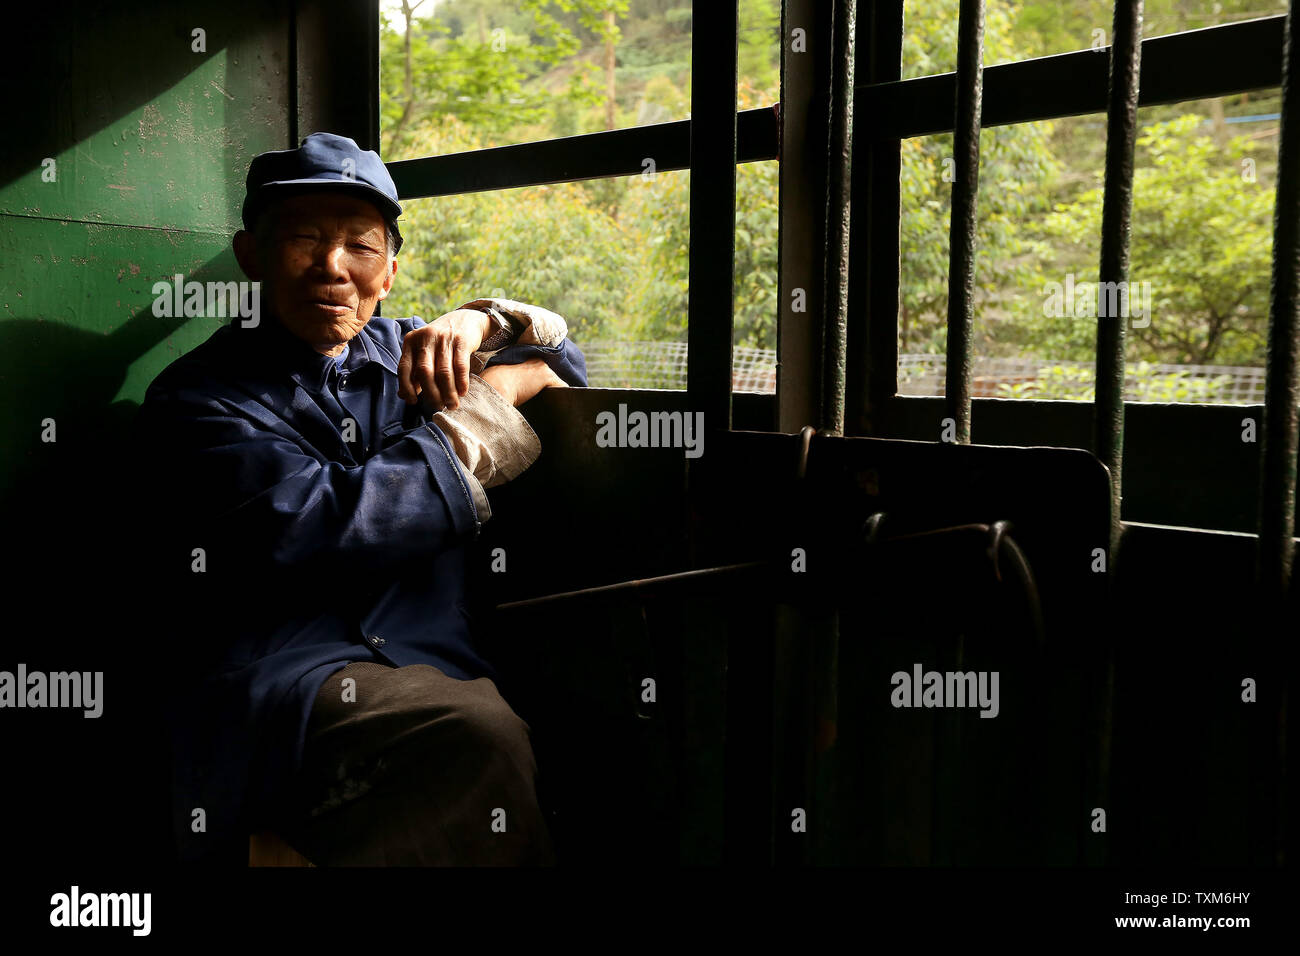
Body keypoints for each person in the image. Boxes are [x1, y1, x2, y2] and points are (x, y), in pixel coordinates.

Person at [130, 132, 586, 865]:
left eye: (360, 247)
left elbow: (566, 365)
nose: (333, 268)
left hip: (428, 654)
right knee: (476, 732)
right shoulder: (197, 397)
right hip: (283, 676)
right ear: (252, 256)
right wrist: (483, 413)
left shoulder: (419, 350)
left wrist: (485, 319)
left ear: (392, 270)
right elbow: (319, 522)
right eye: (304, 239)